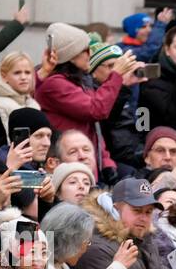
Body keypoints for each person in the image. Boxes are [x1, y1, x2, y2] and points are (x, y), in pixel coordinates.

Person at [36, 23, 138, 182]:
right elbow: (96, 110)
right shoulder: (55, 84)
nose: (90, 54)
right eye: (85, 50)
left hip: (86, 164)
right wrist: (116, 74)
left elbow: (94, 128)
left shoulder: (79, 81)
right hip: (68, 167)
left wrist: (106, 161)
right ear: (71, 55)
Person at [72, 177, 176, 269]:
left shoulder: (146, 240)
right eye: (137, 211)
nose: (143, 218)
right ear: (114, 210)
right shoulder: (96, 247)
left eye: (148, 212)